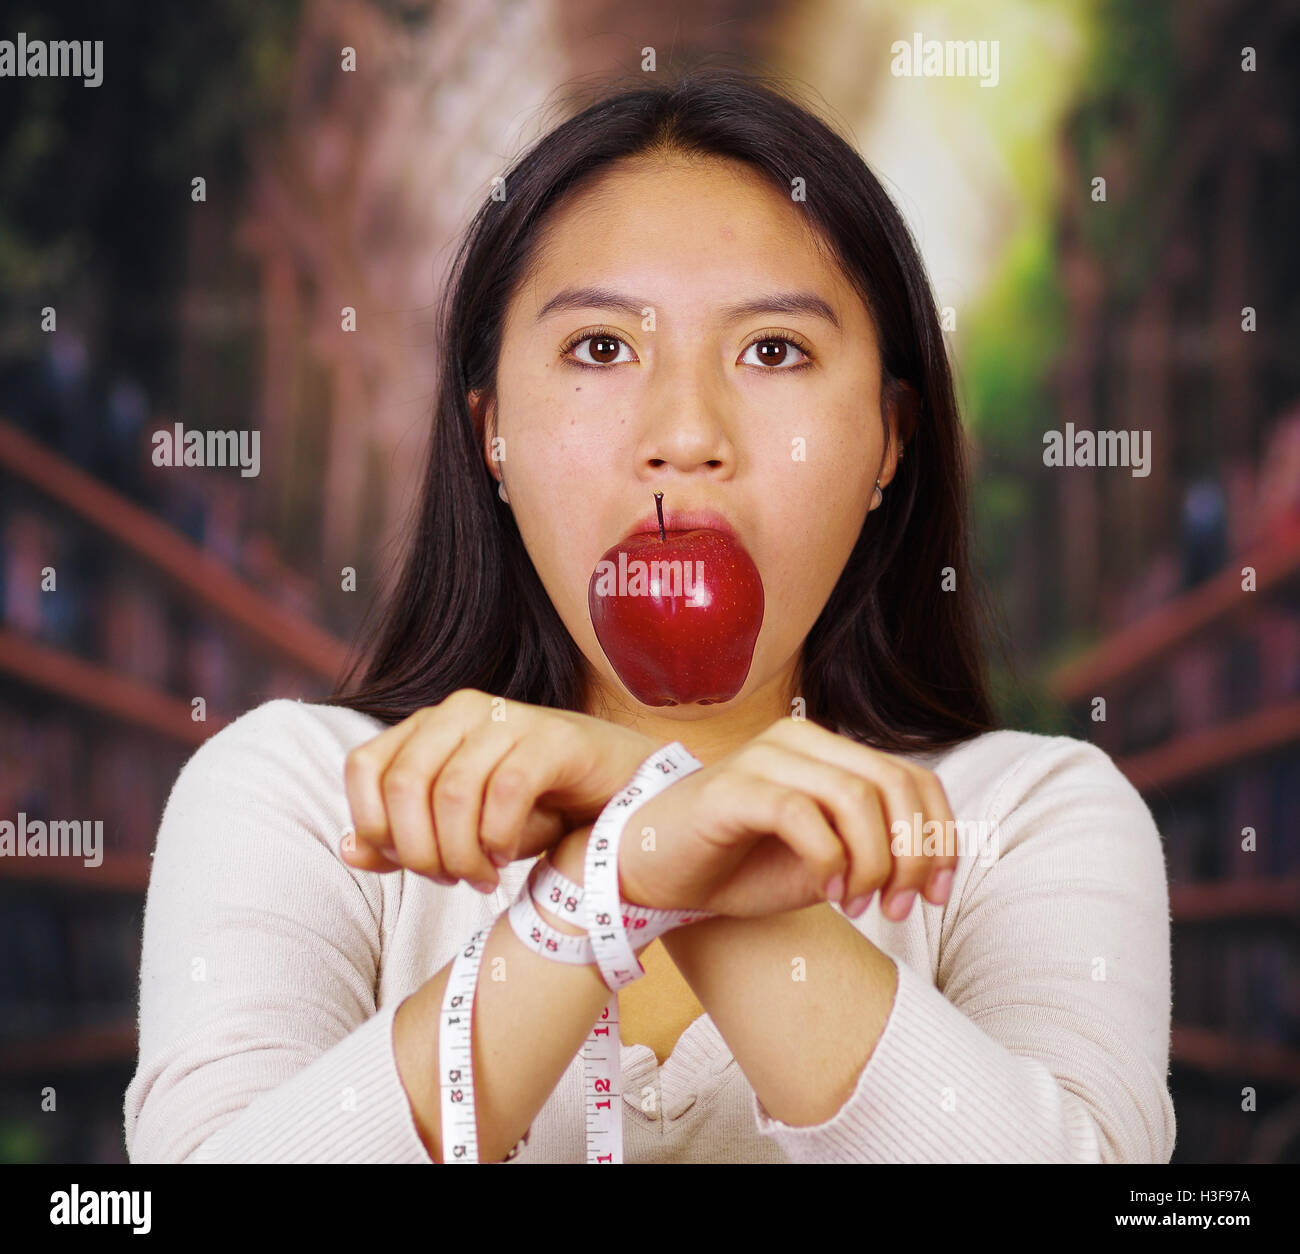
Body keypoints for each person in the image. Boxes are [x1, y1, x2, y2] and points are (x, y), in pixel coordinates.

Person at [123, 66, 1176, 1164]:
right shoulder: (310, 799)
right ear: (491, 434)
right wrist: (621, 871)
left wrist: (639, 819)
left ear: (889, 442)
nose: (684, 434)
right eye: (600, 348)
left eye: (773, 351)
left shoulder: (1023, 820)